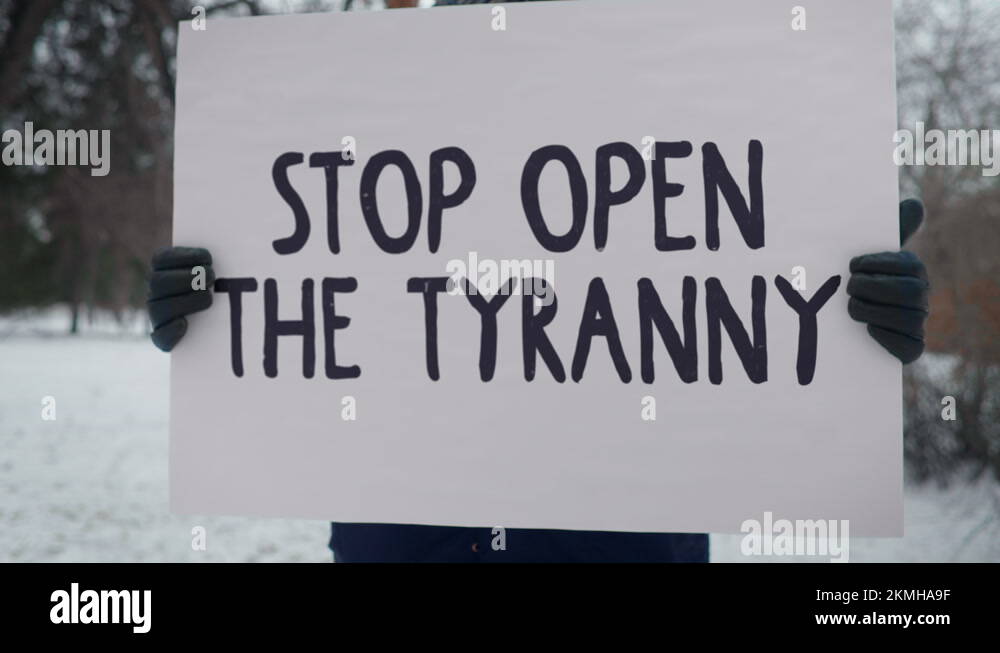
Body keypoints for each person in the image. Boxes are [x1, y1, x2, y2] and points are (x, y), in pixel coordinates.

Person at [148, 0, 931, 562]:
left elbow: (724, 316)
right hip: (401, 539)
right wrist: (211, 311)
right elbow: (324, 305)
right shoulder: (362, 104)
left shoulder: (672, 85)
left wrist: (848, 316)